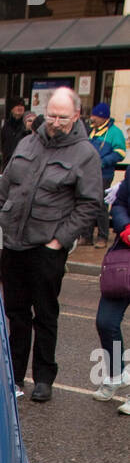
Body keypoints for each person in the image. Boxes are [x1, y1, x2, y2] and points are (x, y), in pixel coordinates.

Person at [0, 87, 102, 402]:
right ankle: (13, 376)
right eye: (51, 115)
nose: (55, 122)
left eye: (62, 117)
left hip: (47, 247)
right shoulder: (28, 142)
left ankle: (43, 378)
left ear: (77, 115)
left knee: (46, 314)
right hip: (14, 244)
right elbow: (3, 191)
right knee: (16, 313)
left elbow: (89, 204)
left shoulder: (85, 154)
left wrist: (59, 240)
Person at [92, 168, 130, 414]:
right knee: (106, 322)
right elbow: (119, 204)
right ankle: (116, 375)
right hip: (124, 258)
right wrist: (125, 227)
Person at [87, 101, 126, 247]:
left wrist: (103, 162)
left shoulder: (114, 132)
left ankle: (102, 237)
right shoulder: (92, 131)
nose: (92, 119)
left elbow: (120, 152)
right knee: (87, 204)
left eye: (95, 116)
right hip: (89, 173)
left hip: (104, 174)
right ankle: (86, 236)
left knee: (101, 206)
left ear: (103, 117)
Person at [0, 96, 28, 168]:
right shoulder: (6, 126)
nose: (20, 108)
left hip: (23, 164)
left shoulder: (26, 126)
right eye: (17, 105)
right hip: (8, 164)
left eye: (22, 105)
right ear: (12, 109)